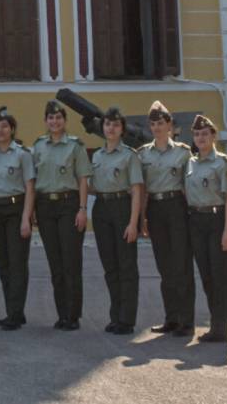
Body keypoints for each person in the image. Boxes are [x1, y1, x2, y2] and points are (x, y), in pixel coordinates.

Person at [30, 99, 91, 330]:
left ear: (65, 121)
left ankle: (73, 315)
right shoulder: (38, 146)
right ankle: (61, 313)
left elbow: (83, 178)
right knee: (55, 262)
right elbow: (33, 181)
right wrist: (34, 210)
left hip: (69, 205)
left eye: (58, 118)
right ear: (46, 121)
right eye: (51, 118)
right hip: (46, 206)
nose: (55, 121)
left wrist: (83, 209)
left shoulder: (75, 146)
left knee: (71, 261)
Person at [138, 100, 196, 338]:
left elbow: (189, 187)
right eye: (153, 124)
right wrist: (142, 218)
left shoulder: (183, 152)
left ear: (169, 124)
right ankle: (171, 318)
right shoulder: (143, 154)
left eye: (160, 123)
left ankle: (186, 321)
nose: (157, 128)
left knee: (181, 265)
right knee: (164, 267)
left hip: (176, 207)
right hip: (155, 208)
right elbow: (141, 189)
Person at [89, 108, 145, 334]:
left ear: (122, 129)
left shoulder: (130, 155)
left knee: (127, 266)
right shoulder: (97, 156)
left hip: (122, 207)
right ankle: (115, 315)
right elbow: (93, 185)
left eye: (115, 125)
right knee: (110, 266)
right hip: (102, 208)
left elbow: (136, 190)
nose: (110, 129)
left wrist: (134, 223)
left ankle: (127, 319)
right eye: (107, 124)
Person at [0, 108, 35, 330]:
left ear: (12, 129)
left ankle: (15, 312)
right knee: (2, 262)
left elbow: (30, 188)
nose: (0, 130)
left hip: (16, 209)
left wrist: (26, 219)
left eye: (4, 126)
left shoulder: (22, 154)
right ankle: (13, 310)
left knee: (17, 263)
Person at [185, 114, 227, 344]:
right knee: (207, 276)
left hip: (219, 222)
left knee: (221, 278)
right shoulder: (190, 163)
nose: (200, 138)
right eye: (197, 134)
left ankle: (221, 328)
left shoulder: (225, 163)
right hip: (197, 221)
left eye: (205, 134)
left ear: (213, 136)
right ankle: (215, 323)